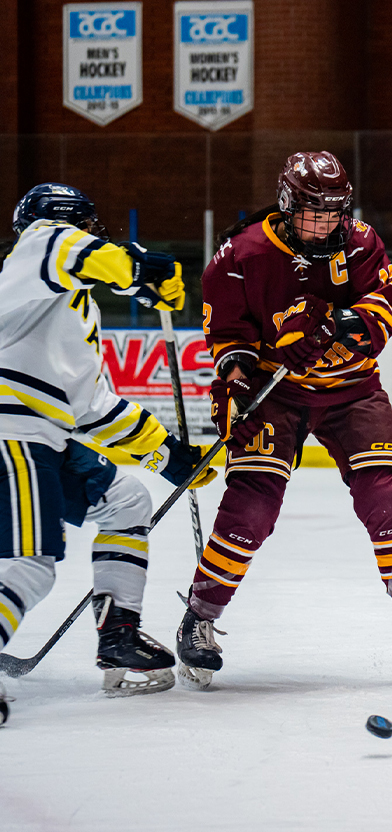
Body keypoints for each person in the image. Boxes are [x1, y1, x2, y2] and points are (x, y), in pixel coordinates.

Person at [179, 151, 392, 688]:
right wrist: (234, 378)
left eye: (334, 213)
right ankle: (198, 619)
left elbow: (382, 310)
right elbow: (228, 337)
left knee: (388, 498)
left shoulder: (362, 242)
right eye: (313, 213)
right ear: (287, 205)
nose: (325, 224)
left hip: (353, 392)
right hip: (274, 395)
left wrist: (336, 322)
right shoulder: (241, 254)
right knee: (249, 510)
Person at [0, 182, 213, 705]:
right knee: (30, 565)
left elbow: (91, 408)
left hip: (41, 434)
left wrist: (168, 455)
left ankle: (118, 635)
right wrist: (136, 271)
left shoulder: (70, 311)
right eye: (91, 229)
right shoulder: (35, 251)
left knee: (126, 500)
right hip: (12, 433)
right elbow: (66, 248)